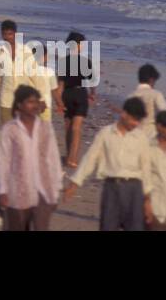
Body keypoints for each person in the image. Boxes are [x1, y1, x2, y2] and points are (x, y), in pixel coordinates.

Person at [63, 96, 151, 230]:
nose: (135, 124)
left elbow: (146, 168)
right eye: (134, 119)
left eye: (138, 121)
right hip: (111, 188)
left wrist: (148, 199)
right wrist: (75, 183)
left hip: (134, 189)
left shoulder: (141, 138)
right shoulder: (106, 134)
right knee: (108, 226)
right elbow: (90, 158)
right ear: (124, 114)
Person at [0, 84, 63, 231]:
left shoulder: (45, 128)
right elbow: (2, 162)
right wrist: (2, 190)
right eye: (30, 102)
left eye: (36, 102)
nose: (35, 105)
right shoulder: (10, 130)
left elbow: (53, 160)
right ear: (20, 105)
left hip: (43, 191)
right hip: (16, 192)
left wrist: (55, 192)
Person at [60, 31, 97, 168]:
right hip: (80, 94)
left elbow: (60, 84)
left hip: (67, 95)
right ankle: (73, 158)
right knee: (77, 127)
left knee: (68, 126)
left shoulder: (63, 61)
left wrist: (58, 100)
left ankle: (68, 154)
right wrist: (93, 93)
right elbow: (92, 81)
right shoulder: (85, 61)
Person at [131, 63, 166, 133]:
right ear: (152, 80)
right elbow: (164, 111)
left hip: (135, 133)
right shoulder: (156, 94)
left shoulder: (131, 96)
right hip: (151, 133)